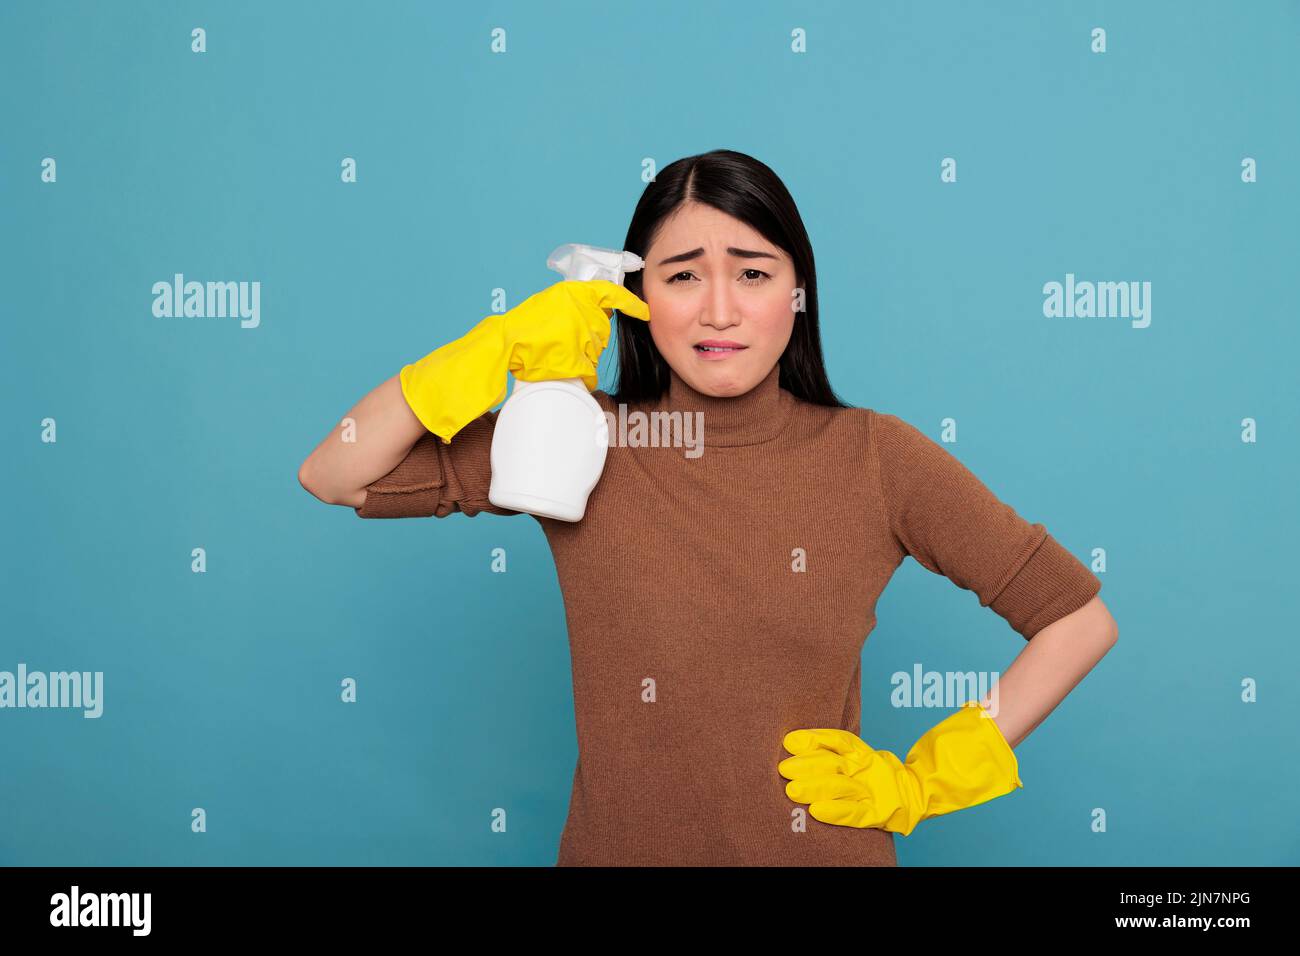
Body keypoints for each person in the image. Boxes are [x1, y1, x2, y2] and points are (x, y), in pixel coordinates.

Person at [298, 149, 1119, 866]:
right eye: (682, 274)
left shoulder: (878, 457)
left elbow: (1078, 622)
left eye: (754, 273)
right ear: (636, 293)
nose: (718, 309)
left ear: (798, 294)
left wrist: (919, 782)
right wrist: (492, 348)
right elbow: (335, 472)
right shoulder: (576, 436)